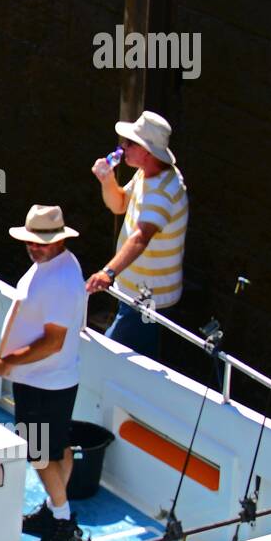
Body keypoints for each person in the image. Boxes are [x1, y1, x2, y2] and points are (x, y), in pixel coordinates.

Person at [0, 205, 87, 541]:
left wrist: (8, 362)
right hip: (52, 381)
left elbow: (53, 341)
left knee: (40, 452)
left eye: (41, 243)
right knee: (56, 448)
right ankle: (53, 507)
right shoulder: (57, 265)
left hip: (42, 382)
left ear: (59, 241)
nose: (34, 247)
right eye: (31, 241)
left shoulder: (61, 281)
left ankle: (62, 523)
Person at [85, 111, 188, 360]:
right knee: (137, 360)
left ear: (147, 151)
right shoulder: (146, 174)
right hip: (134, 294)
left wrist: (107, 273)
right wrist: (107, 180)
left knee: (109, 358)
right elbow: (120, 204)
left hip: (147, 300)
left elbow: (141, 237)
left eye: (130, 143)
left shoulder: (163, 191)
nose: (123, 146)